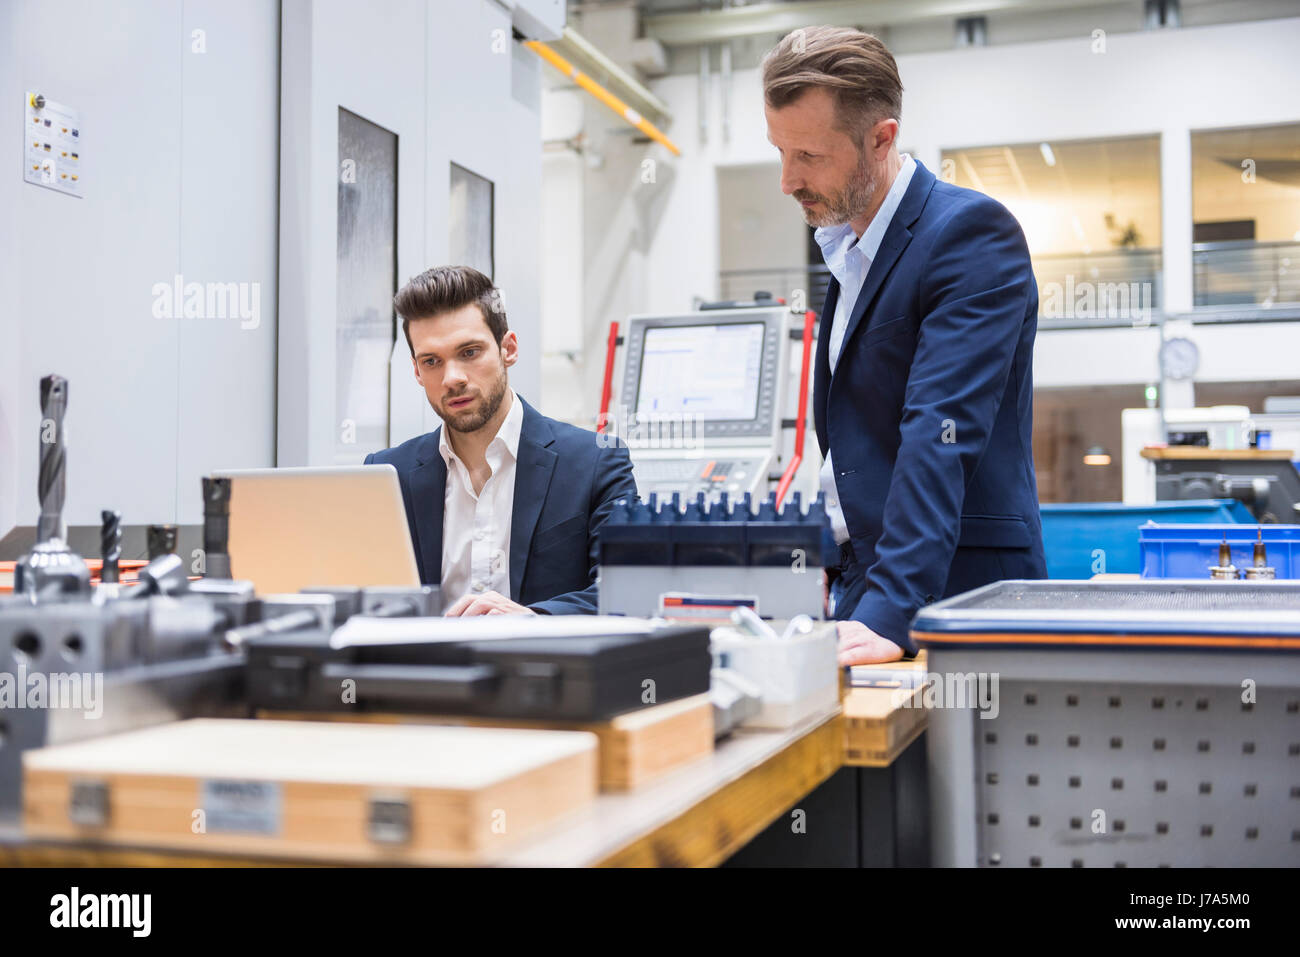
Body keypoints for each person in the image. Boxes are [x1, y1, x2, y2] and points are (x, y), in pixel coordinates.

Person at [762, 26, 1047, 664]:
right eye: (779, 151)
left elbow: (938, 433)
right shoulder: (846, 253)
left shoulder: (969, 235)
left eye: (808, 155)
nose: (787, 179)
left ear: (881, 138)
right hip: (870, 588)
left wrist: (893, 610)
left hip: (956, 596)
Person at [365, 265, 637, 616]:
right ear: (417, 371)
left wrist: (532, 621)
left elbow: (623, 592)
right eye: (432, 361)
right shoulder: (388, 475)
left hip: (543, 666)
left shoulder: (596, 462)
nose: (453, 378)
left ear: (507, 349)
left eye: (469, 352)